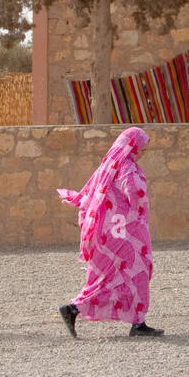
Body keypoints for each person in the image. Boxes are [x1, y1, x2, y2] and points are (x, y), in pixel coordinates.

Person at [57, 126, 162, 337]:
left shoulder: (109, 165)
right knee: (138, 271)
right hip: (126, 230)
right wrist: (139, 208)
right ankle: (134, 322)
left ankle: (79, 309)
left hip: (109, 231)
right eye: (141, 148)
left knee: (115, 275)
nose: (142, 152)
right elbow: (133, 189)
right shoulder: (126, 166)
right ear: (132, 145)